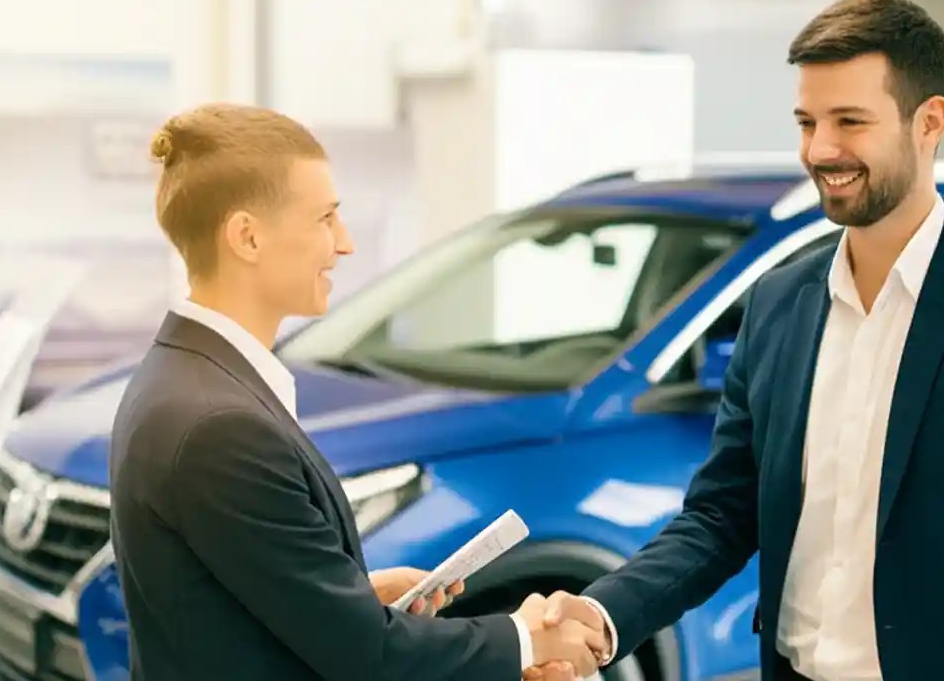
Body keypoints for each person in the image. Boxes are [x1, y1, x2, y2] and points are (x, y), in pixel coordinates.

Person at [536, 0, 944, 681]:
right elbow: (721, 516)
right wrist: (601, 620)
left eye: (850, 121)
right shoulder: (779, 302)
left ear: (929, 122)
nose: (820, 149)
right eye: (807, 122)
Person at [108, 103, 604, 680]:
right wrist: (526, 640)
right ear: (247, 236)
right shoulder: (219, 427)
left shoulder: (182, 377)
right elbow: (370, 657)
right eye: (324, 218)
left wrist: (347, 595)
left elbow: (223, 607)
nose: (343, 244)